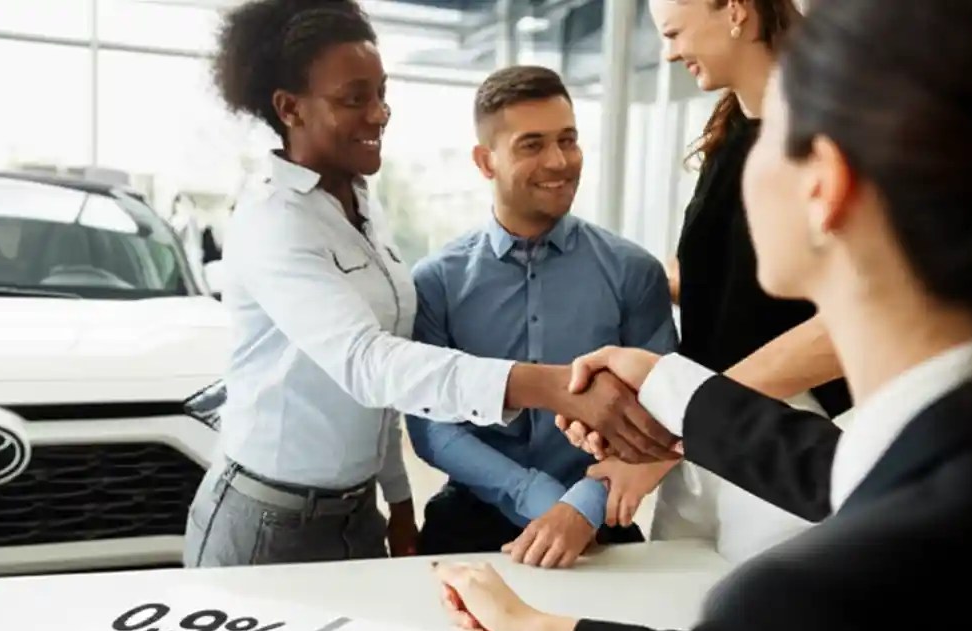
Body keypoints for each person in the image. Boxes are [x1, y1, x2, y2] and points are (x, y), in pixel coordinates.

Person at [420, 0, 972, 631]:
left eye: (770, 132)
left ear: (823, 185)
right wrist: (538, 630)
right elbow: (823, 468)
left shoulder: (806, 610)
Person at [183, 0, 679, 568]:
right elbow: (371, 365)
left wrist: (398, 502)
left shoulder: (360, 210)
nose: (378, 114)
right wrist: (555, 389)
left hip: (359, 516)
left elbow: (390, 393)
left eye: (381, 94)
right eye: (354, 98)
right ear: (289, 107)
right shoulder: (275, 219)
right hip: (272, 519)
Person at [579, 0, 852, 564]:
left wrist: (676, 430)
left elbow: (851, 322)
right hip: (705, 413)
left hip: (784, 429)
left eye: (674, 31)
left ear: (735, 10)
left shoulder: (832, 132)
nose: (668, 52)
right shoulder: (732, 131)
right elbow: (723, 271)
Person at [407, 65, 677, 568]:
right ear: (485, 161)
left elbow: (664, 413)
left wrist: (581, 506)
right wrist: (541, 499)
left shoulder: (633, 272)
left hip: (599, 517)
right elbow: (432, 426)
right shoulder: (436, 281)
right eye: (532, 145)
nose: (559, 161)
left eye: (568, 140)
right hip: (468, 518)